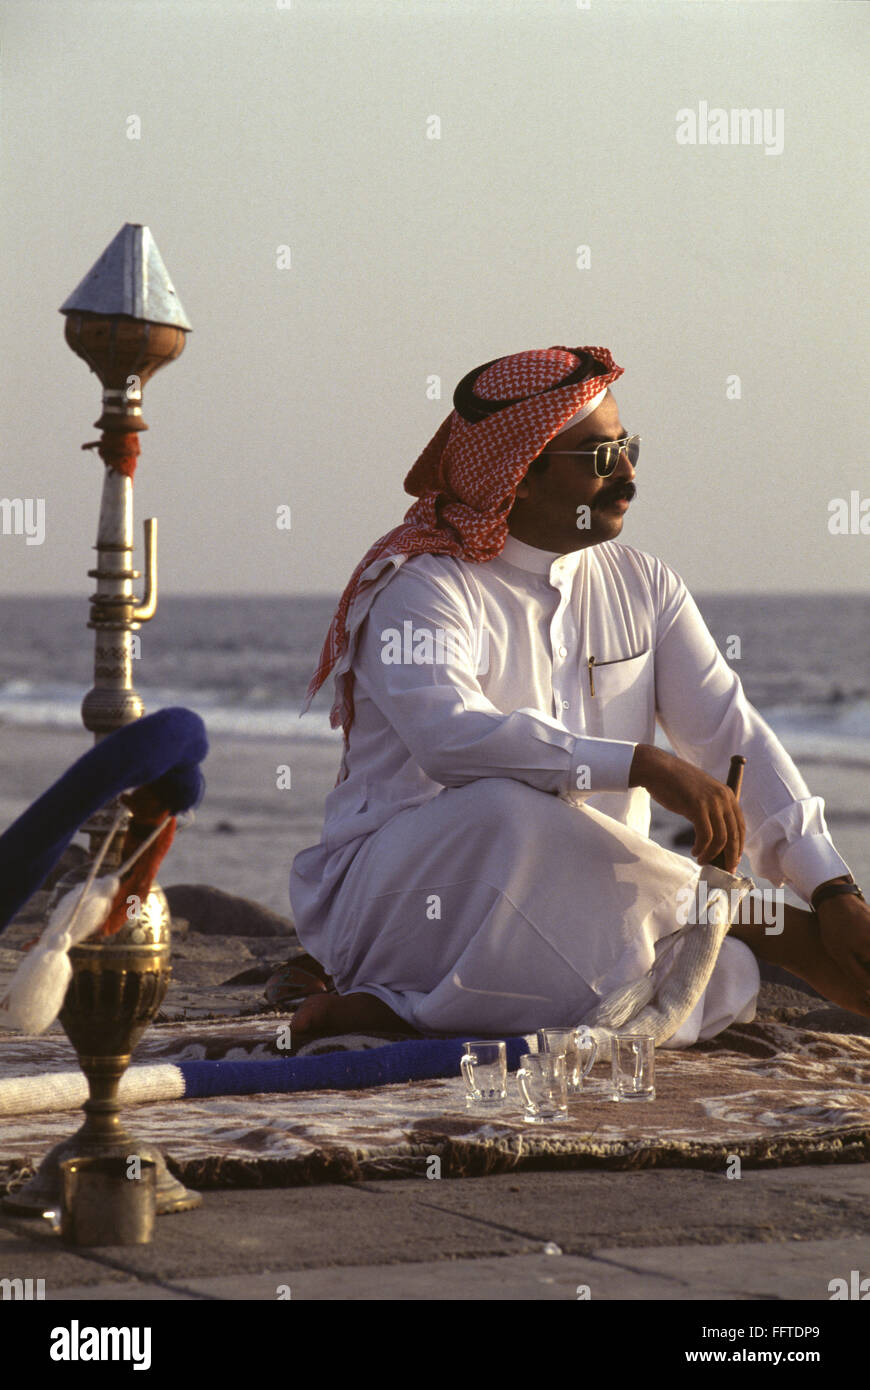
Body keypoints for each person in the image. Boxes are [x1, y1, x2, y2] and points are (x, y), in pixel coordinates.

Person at [289, 345, 870, 1043]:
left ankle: (403, 1016)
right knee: (508, 809)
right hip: (409, 904)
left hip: (593, 914)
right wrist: (643, 764)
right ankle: (766, 928)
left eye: (628, 448)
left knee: (717, 982)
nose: (626, 474)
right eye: (600, 458)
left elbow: (730, 734)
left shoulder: (644, 585)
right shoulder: (421, 587)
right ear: (521, 476)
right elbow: (451, 738)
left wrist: (832, 887)